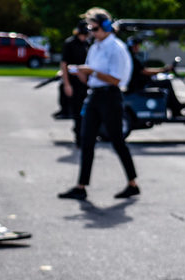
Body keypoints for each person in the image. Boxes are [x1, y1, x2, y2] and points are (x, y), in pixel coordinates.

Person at [59, 8, 139, 200]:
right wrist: (81, 74)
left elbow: (116, 80)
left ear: (106, 27)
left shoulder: (116, 48)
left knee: (117, 141)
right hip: (94, 95)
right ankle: (81, 186)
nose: (91, 33)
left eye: (94, 29)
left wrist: (91, 71)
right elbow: (90, 78)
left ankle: (132, 183)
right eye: (89, 29)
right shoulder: (94, 47)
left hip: (110, 97)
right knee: (86, 140)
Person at [60, 21, 90, 144]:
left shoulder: (88, 44)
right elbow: (64, 64)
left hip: (85, 82)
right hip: (73, 82)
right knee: (77, 112)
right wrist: (67, 84)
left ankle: (84, 134)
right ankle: (79, 137)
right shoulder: (70, 43)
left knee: (86, 112)